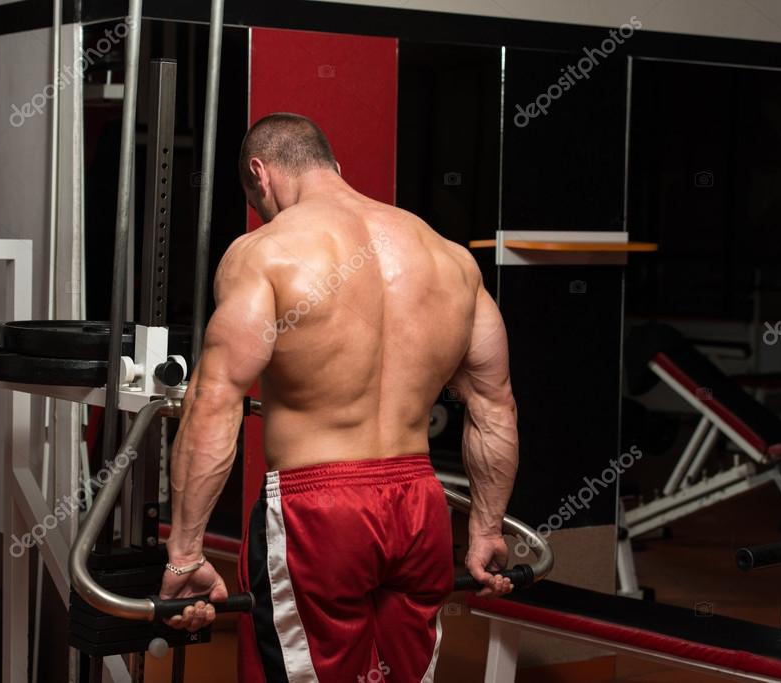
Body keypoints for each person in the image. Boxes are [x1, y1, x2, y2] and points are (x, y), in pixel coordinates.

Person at [159, 112, 519, 682]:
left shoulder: (264, 253)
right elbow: (493, 406)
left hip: (318, 511)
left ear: (261, 174)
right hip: (419, 509)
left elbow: (215, 403)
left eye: (257, 199)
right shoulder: (450, 259)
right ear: (335, 167)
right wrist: (487, 530)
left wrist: (185, 553)